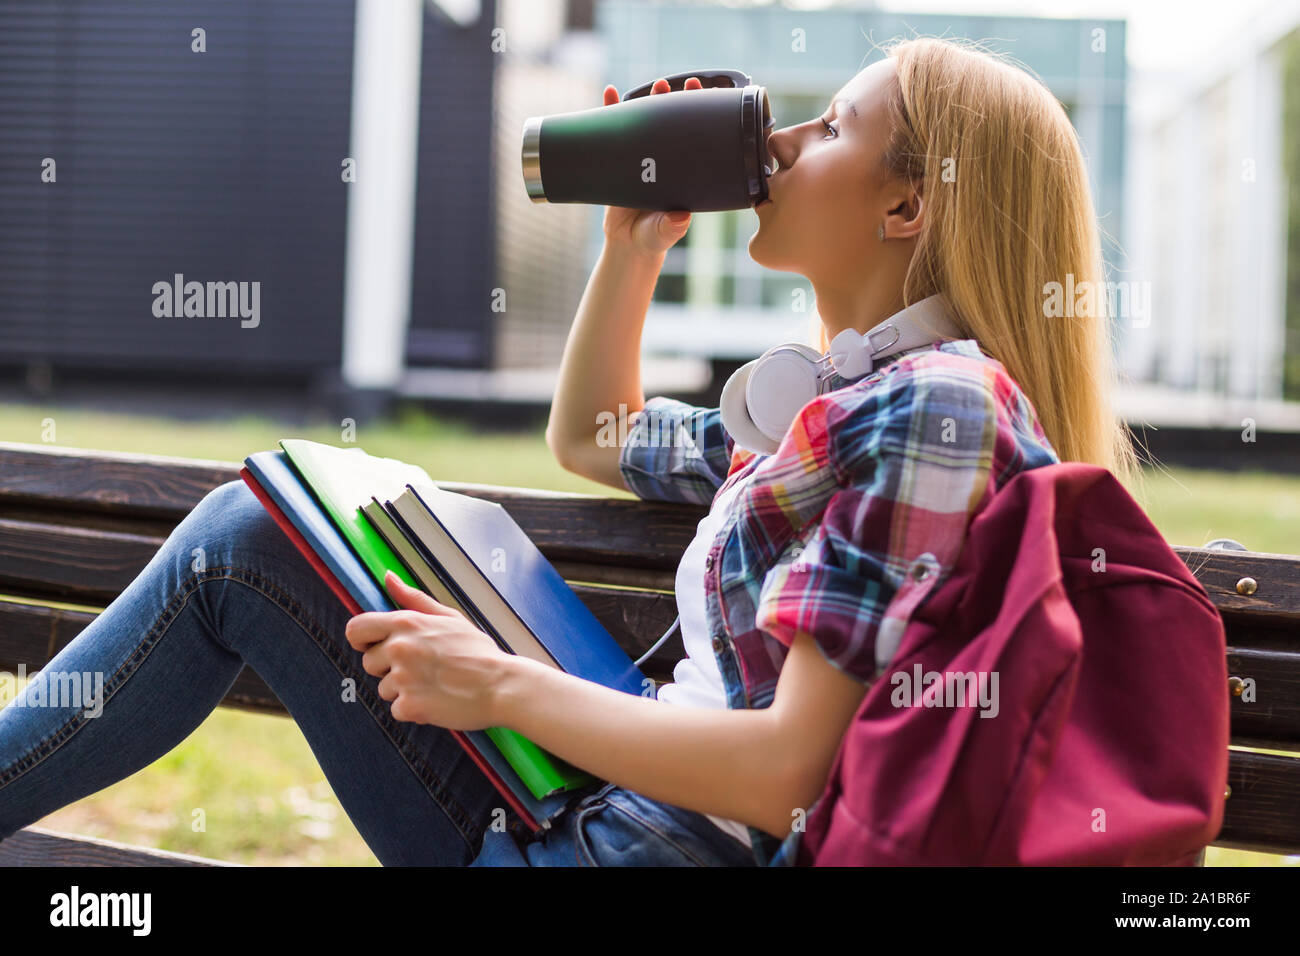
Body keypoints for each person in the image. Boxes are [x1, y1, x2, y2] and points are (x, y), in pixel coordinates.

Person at [0, 36, 1140, 867]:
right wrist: (632, 244)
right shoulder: (839, 399)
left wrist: (501, 683)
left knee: (246, 546)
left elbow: (789, 773)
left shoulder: (933, 412)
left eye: (831, 125)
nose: (781, 142)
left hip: (634, 852)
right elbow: (594, 437)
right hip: (597, 814)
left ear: (907, 208)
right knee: (256, 530)